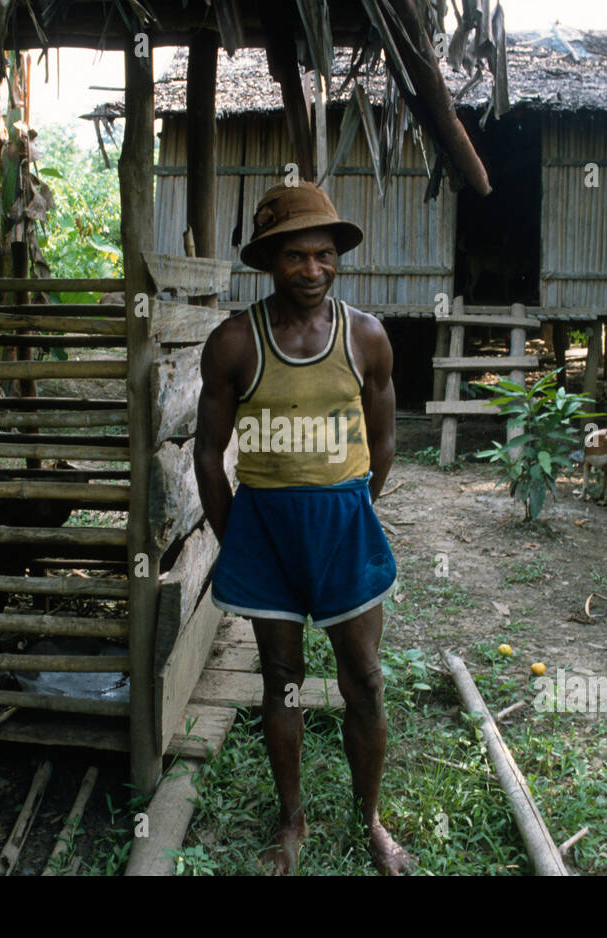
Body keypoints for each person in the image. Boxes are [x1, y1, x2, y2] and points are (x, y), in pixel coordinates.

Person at [193, 181, 414, 875]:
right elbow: (208, 452)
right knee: (282, 677)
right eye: (296, 257)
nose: (312, 270)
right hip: (265, 526)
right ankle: (292, 820)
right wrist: (240, 539)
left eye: (324, 255)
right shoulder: (235, 341)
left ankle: (368, 817)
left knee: (366, 680)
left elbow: (384, 441)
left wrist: (352, 506)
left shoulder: (366, 336)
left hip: (345, 523)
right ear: (270, 262)